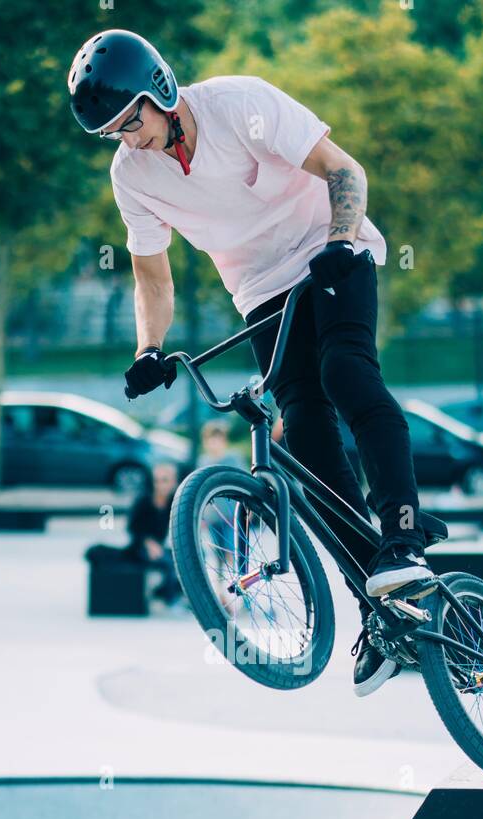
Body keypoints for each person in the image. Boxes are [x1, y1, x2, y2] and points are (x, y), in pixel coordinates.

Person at [67, 29, 434, 697]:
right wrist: (147, 349)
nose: (128, 139)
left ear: (161, 92)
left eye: (131, 122)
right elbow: (152, 276)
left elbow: (346, 171)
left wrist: (340, 239)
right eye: (113, 134)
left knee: (344, 373)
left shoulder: (242, 105)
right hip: (262, 293)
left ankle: (403, 538)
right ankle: (376, 604)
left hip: (332, 251)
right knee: (303, 425)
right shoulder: (133, 176)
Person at [125, 459, 181, 603]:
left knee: (187, 559)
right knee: (170, 564)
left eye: (164, 480)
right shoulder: (143, 500)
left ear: (173, 482)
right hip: (139, 548)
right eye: (157, 481)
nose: (159, 485)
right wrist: (148, 543)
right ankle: (171, 600)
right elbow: (132, 528)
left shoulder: (173, 502)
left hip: (159, 547)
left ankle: (162, 592)